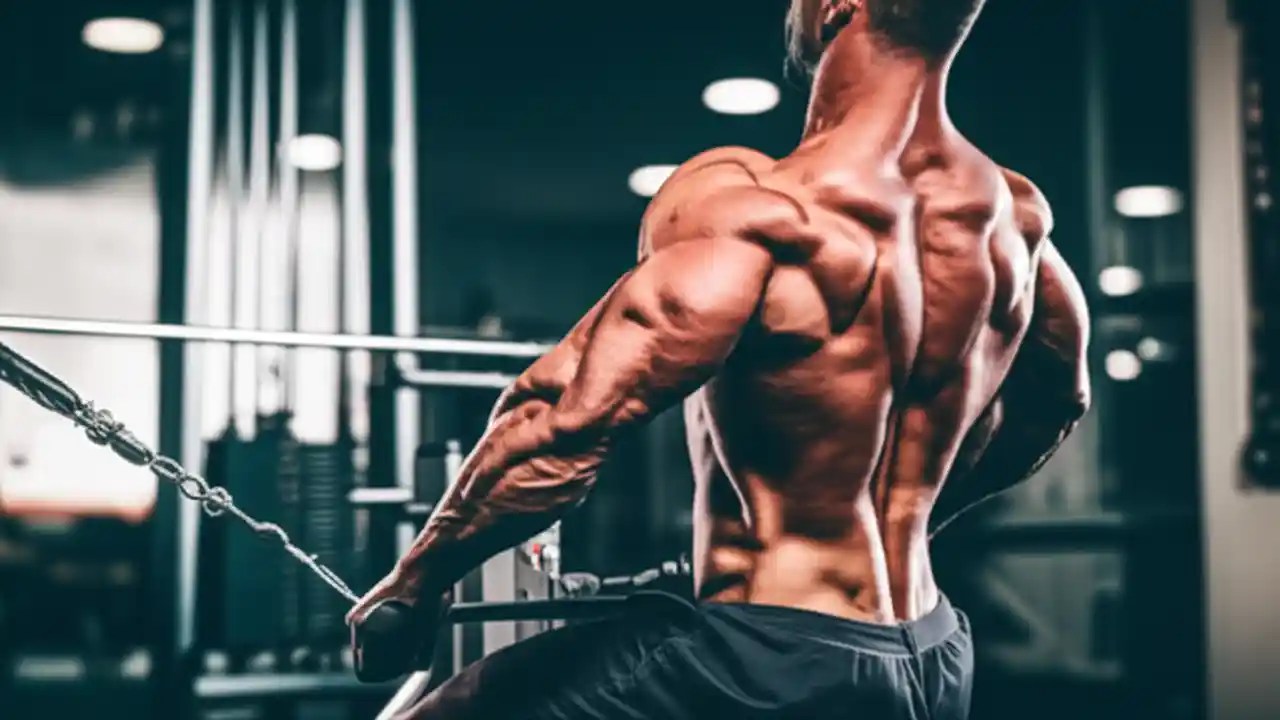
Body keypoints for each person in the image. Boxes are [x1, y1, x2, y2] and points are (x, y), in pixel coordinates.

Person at [347, 0, 1092, 717]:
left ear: (839, 5)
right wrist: (907, 523)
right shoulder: (1014, 223)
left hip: (768, 660)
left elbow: (564, 423)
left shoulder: (762, 207)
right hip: (932, 652)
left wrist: (413, 586)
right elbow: (1056, 406)